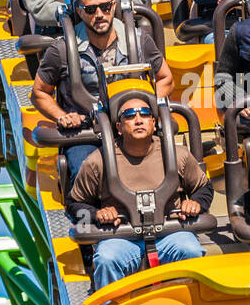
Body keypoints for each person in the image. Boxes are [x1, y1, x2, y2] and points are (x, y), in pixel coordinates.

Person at [32, 0, 173, 184]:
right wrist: (62, 116)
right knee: (88, 172)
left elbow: (166, 79)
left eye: (105, 7)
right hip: (86, 134)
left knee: (161, 167)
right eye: (91, 9)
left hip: (130, 129)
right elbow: (39, 93)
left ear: (113, 6)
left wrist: (146, 109)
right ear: (80, 11)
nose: (99, 14)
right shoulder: (61, 50)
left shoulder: (138, 40)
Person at [69, 101, 213, 288]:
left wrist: (196, 203)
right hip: (121, 237)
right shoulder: (98, 161)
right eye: (129, 116)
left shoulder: (178, 155)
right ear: (119, 127)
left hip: (170, 234)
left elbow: (204, 187)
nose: (138, 121)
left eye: (144, 114)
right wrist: (96, 214)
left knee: (189, 249)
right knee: (107, 259)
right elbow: (74, 203)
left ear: (154, 123)